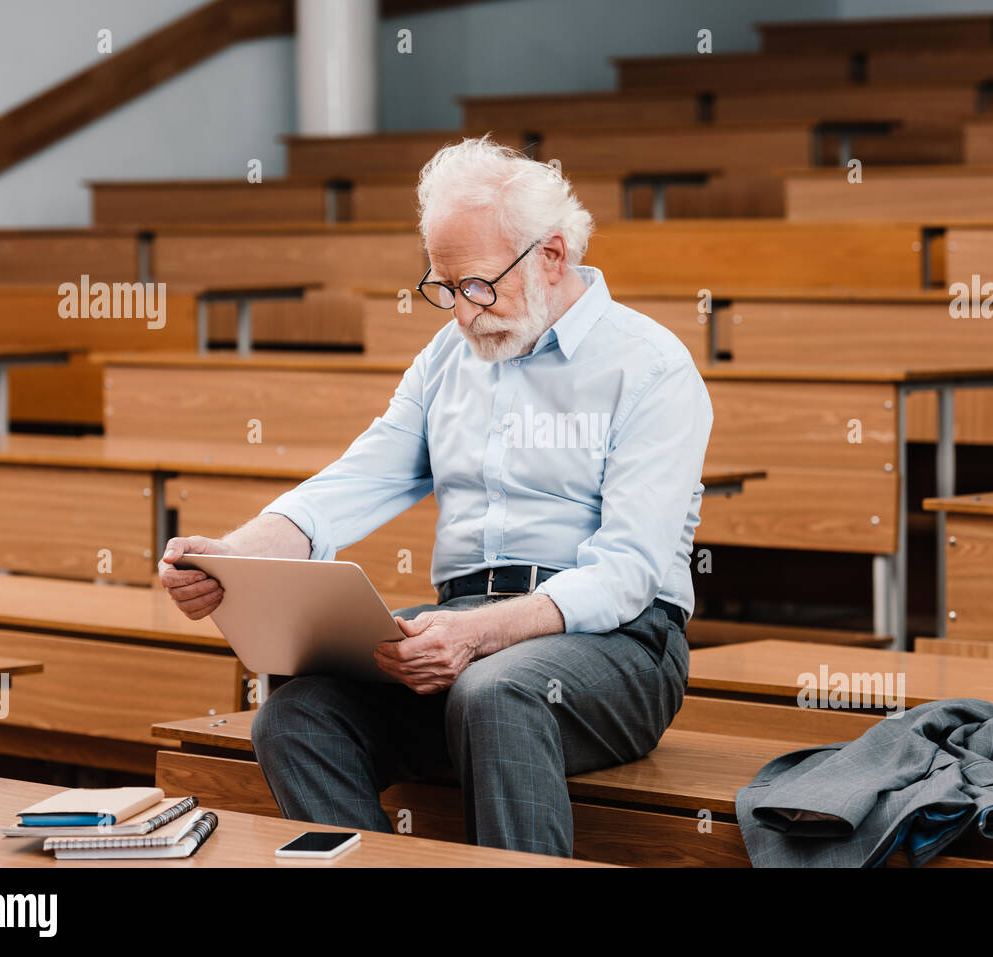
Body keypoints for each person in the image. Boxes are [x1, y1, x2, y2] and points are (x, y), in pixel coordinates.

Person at [158, 135, 713, 857]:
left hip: (620, 651)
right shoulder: (450, 357)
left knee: (497, 693)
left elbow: (628, 573)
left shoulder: (652, 368)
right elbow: (358, 480)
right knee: (292, 715)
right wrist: (230, 556)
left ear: (551, 255)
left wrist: (479, 636)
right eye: (443, 289)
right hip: (462, 634)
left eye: (478, 285)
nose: (460, 313)